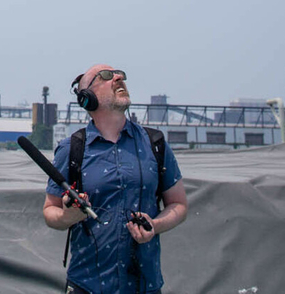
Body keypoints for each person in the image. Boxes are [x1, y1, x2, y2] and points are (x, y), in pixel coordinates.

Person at [43, 65, 188, 294]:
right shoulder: (71, 149)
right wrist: (67, 216)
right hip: (87, 286)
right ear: (87, 97)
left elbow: (179, 204)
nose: (119, 77)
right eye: (106, 76)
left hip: (145, 286)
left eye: (120, 74)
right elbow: (49, 211)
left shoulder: (155, 144)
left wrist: (155, 225)